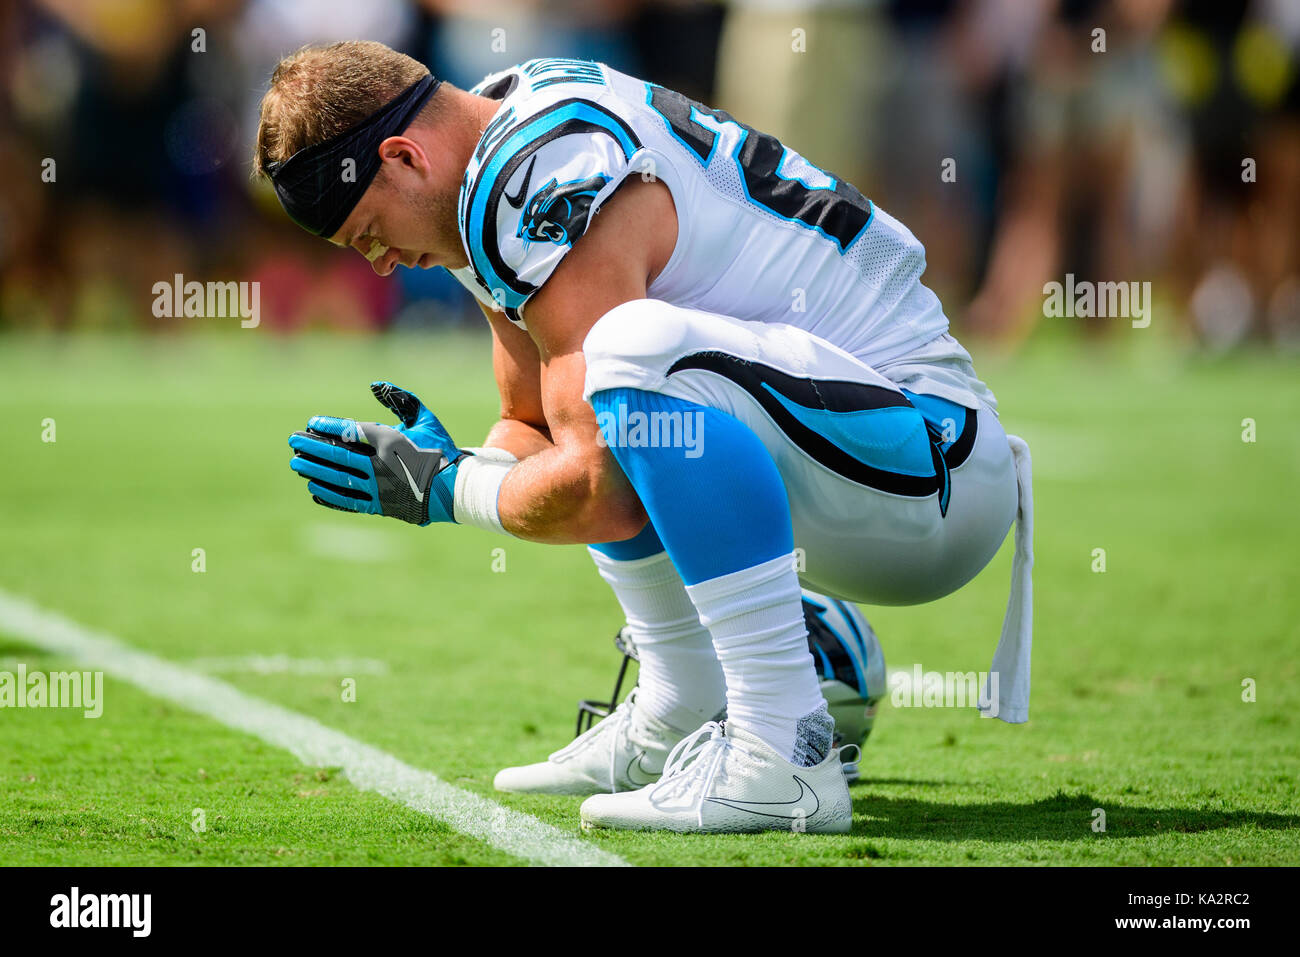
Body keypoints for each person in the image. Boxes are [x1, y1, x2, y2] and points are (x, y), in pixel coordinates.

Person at [257, 42, 1033, 834]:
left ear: (401, 156)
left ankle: (783, 749)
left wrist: (448, 490)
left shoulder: (534, 175)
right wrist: (451, 467)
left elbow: (603, 488)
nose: (381, 265)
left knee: (632, 355)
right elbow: (534, 425)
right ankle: (682, 705)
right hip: (860, 456)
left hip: (934, 464)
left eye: (368, 232)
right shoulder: (481, 153)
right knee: (623, 375)